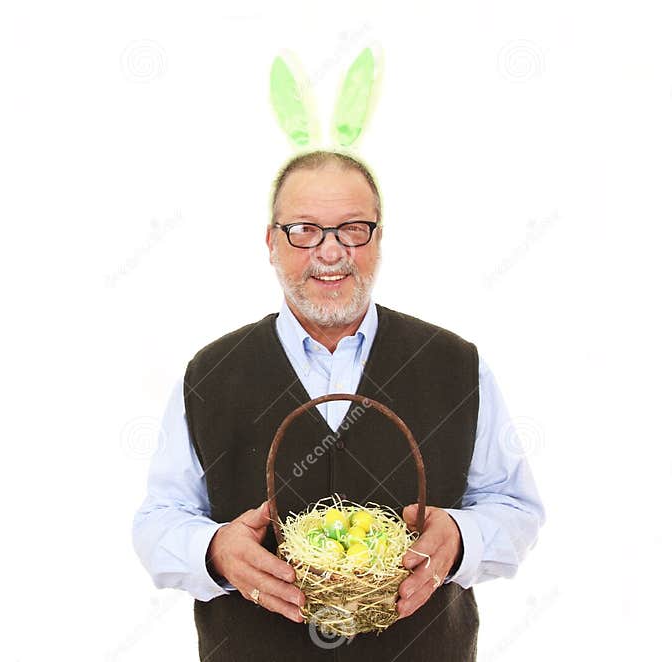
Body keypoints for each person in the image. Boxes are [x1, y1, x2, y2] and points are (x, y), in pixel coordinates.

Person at [132, 150, 545, 661]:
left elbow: (516, 508)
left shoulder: (456, 365)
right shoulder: (211, 373)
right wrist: (213, 551)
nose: (330, 253)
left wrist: (462, 538)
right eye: (304, 230)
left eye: (353, 228)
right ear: (271, 242)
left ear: (378, 239)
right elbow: (159, 520)